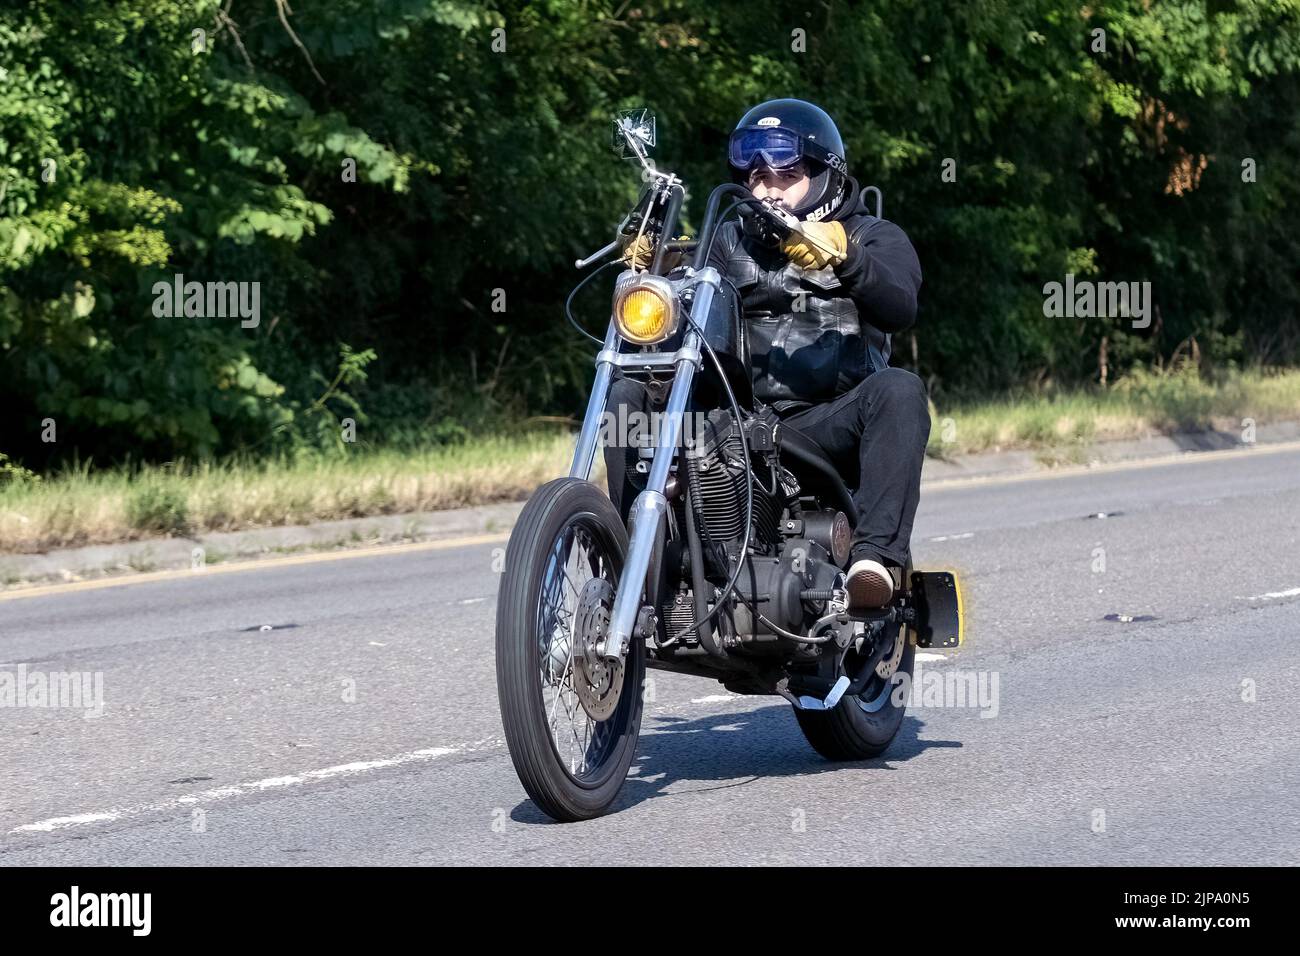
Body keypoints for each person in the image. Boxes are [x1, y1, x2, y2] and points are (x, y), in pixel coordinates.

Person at [605, 98, 930, 611]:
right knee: (625, 392)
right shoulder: (724, 242)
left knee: (900, 389)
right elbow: (678, 329)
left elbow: (900, 304)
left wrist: (847, 258)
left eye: (787, 173)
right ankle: (629, 552)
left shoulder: (871, 236)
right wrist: (659, 274)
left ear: (824, 175)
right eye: (755, 176)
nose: (767, 185)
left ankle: (875, 562)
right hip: (734, 420)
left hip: (824, 425)